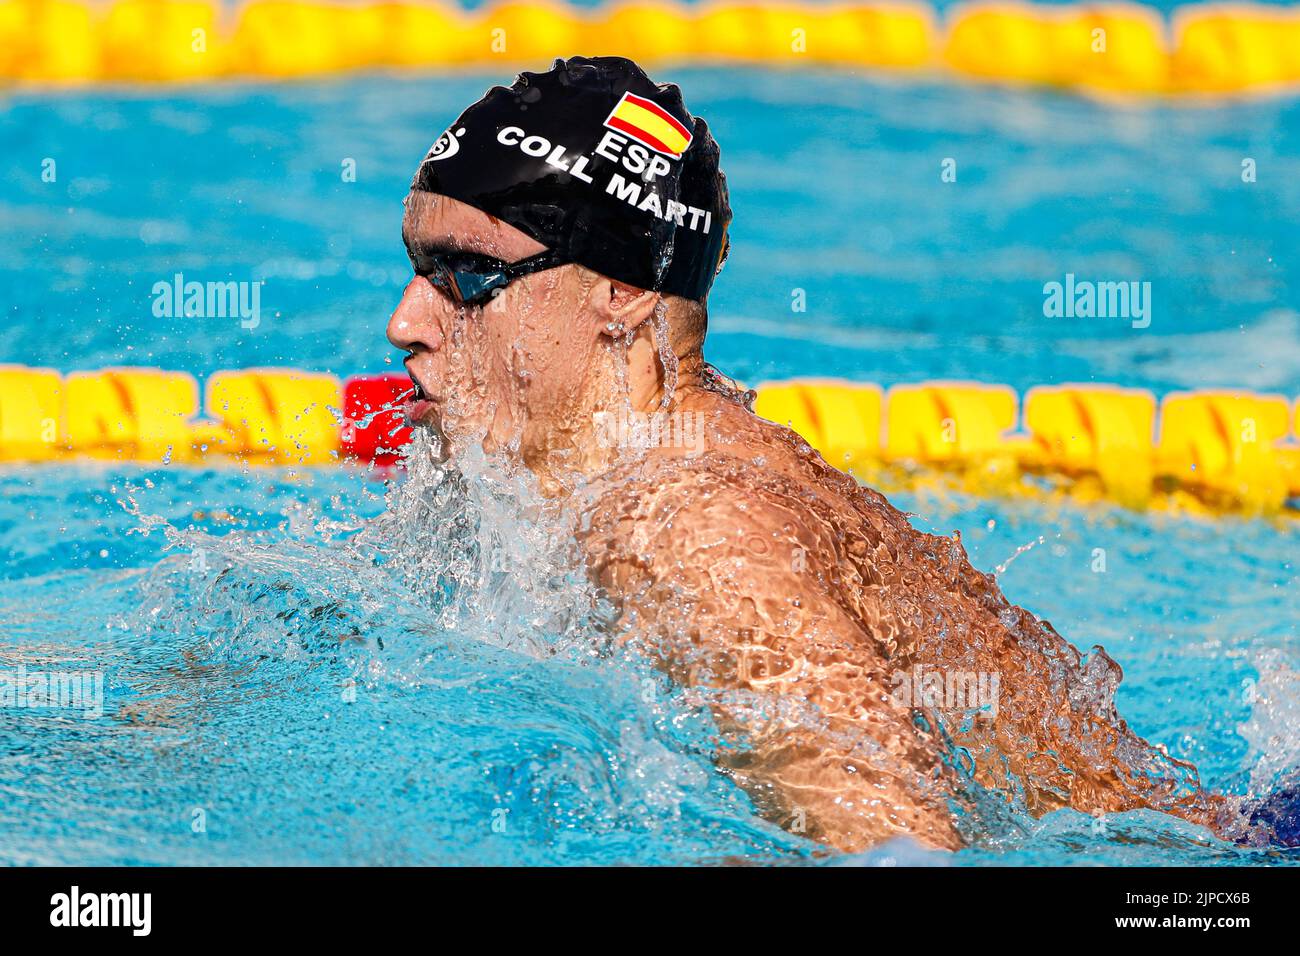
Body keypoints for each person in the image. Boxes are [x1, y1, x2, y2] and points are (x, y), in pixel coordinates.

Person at [386, 55, 1259, 852]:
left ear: (621, 291)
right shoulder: (593, 471)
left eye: (466, 276)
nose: (406, 323)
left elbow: (903, 845)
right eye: (417, 267)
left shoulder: (690, 531)